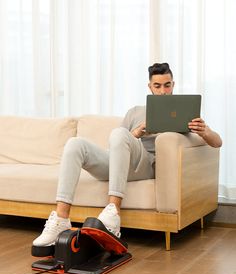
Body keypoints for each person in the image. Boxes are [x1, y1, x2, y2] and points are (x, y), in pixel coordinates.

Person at [33, 62, 222, 247]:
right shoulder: (135, 112)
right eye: (157, 86)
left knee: (120, 134)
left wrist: (204, 131)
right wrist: (137, 133)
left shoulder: (183, 112)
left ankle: (113, 212)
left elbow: (217, 142)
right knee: (75, 144)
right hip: (121, 163)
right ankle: (61, 219)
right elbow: (116, 143)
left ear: (173, 85)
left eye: (167, 85)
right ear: (150, 87)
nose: (163, 91)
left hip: (147, 164)